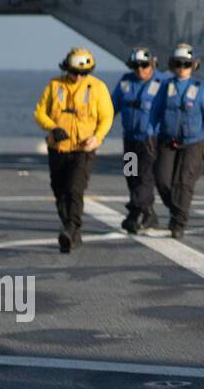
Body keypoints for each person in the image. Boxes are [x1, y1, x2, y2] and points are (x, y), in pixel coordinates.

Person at [32, 46, 115, 253]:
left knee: (74, 189)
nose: (78, 77)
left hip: (83, 150)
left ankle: (70, 228)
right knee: (59, 191)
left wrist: (97, 137)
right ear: (66, 68)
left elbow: (107, 117)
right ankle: (72, 233)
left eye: (83, 73)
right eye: (74, 72)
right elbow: (39, 112)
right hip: (58, 149)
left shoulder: (98, 88)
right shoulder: (54, 85)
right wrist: (53, 127)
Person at [150, 43, 204, 239]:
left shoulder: (200, 88)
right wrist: (149, 134)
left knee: (184, 182)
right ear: (173, 65)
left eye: (186, 64)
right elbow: (154, 111)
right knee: (162, 180)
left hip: (193, 142)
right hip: (167, 140)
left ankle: (178, 222)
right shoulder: (166, 86)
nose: (182, 68)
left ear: (193, 66)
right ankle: (177, 209)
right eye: (178, 64)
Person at [112, 47, 168, 232]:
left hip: (150, 140)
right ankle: (148, 213)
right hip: (130, 139)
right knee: (131, 175)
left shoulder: (163, 83)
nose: (140, 69)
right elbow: (111, 107)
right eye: (135, 66)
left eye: (144, 65)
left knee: (144, 177)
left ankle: (135, 212)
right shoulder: (125, 82)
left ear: (152, 64)